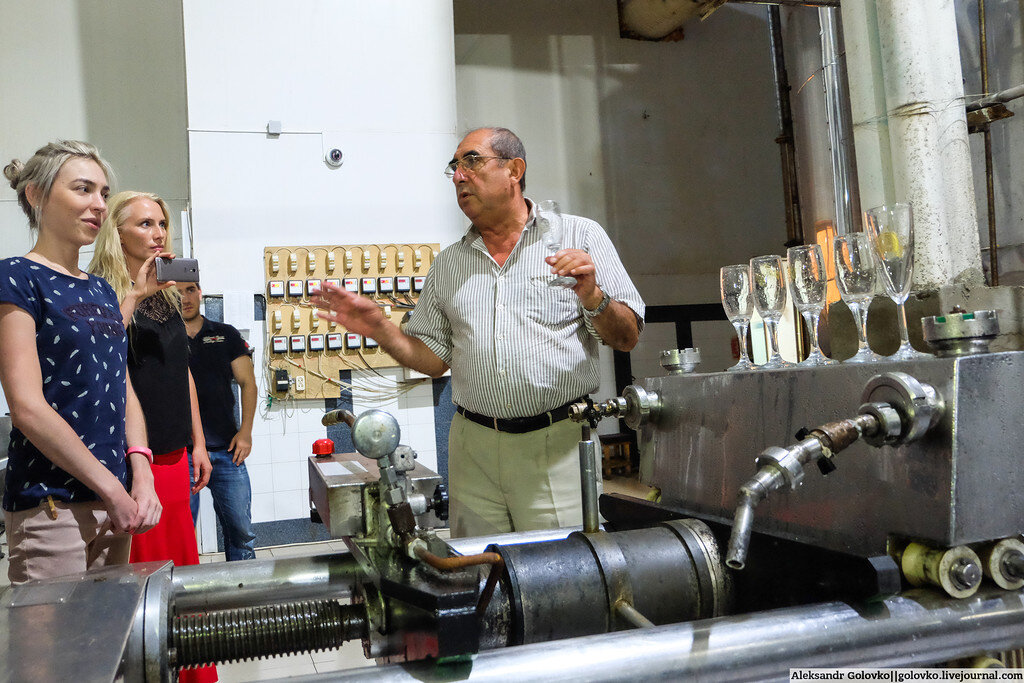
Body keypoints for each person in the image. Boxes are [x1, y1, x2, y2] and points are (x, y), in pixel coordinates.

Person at [317, 127, 644, 537]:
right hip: (474, 450)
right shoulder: (449, 263)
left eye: (472, 161)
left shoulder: (579, 236)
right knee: (480, 574)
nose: (458, 176)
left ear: (514, 170)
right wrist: (379, 327)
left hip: (557, 445)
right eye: (454, 166)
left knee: (563, 577)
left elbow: (626, 337)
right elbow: (434, 361)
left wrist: (592, 294)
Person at [0, 141, 161, 584]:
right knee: (55, 652)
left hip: (115, 505)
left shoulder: (101, 290)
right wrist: (112, 488)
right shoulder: (16, 277)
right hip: (52, 505)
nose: (99, 205)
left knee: (108, 642)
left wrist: (141, 474)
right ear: (36, 195)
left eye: (104, 193)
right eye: (83, 189)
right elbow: (27, 406)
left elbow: (119, 386)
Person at [177, 280, 257, 561]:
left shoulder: (225, 335)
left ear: (200, 293)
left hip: (227, 451)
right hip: (182, 455)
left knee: (241, 534)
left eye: (190, 290)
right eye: (177, 292)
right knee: (182, 537)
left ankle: (245, 600)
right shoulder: (166, 336)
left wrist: (245, 433)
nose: (185, 298)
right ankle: (186, 602)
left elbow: (248, 383)